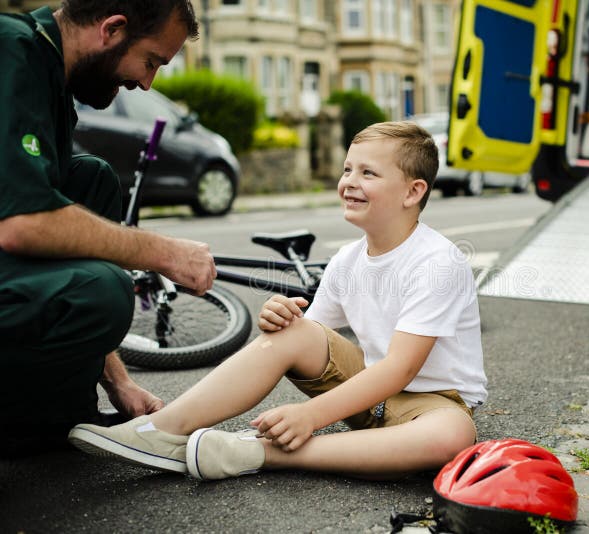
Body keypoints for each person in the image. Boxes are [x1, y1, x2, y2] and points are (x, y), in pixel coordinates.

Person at [68, 121, 488, 480]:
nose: (349, 182)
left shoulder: (437, 262)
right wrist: (281, 319)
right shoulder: (349, 258)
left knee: (452, 436)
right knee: (293, 330)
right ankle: (160, 430)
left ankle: (258, 452)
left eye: (368, 173)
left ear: (413, 192)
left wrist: (311, 417)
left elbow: (400, 369)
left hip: (431, 407)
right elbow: (309, 335)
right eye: (347, 169)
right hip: (370, 394)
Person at [0, 0, 216, 457]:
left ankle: (57, 418)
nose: (146, 82)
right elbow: (20, 223)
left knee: (90, 177)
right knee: (102, 289)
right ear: (112, 29)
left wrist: (119, 381)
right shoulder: (11, 52)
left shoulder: (49, 71)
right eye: (152, 61)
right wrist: (164, 251)